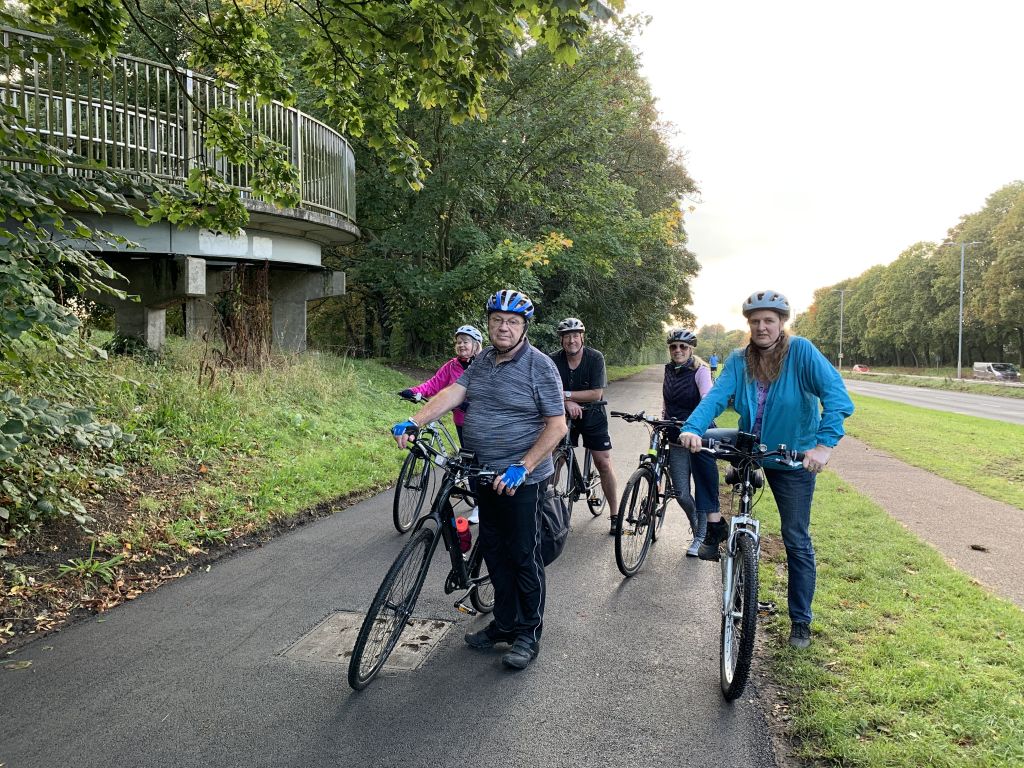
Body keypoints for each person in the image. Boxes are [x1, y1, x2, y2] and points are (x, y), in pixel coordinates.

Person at [391, 289, 566, 671]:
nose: (504, 327)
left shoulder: (540, 366)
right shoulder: (483, 360)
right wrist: (416, 421)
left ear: (524, 328)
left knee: (523, 555)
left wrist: (524, 465)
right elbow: (455, 391)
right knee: (495, 549)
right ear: (488, 324)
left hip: (522, 479)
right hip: (484, 473)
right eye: (498, 320)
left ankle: (527, 634)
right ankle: (503, 625)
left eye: (513, 322)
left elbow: (557, 425)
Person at [678, 290, 854, 649]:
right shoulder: (740, 358)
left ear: (781, 323)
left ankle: (801, 621)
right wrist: (693, 429)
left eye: (768, 320)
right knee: (701, 446)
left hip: (792, 456)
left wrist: (823, 446)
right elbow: (716, 398)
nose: (761, 327)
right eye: (755, 321)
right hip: (749, 446)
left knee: (796, 538)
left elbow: (837, 397)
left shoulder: (801, 351)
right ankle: (714, 524)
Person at [549, 317, 619, 533]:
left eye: (575, 335)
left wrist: (566, 395)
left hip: (593, 414)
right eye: (567, 336)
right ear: (561, 340)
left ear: (582, 337)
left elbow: (596, 393)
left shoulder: (595, 358)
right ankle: (546, 508)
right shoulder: (553, 360)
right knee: (555, 459)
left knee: (603, 462)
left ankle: (615, 515)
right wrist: (567, 402)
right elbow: (547, 390)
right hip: (564, 415)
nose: (571, 340)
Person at [662, 329, 720, 557]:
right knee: (680, 492)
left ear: (691, 349)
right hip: (675, 435)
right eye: (674, 347)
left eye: (683, 347)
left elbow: (708, 400)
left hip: (700, 437)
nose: (678, 351)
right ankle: (699, 526)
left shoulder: (701, 371)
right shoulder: (669, 370)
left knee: (703, 489)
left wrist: (693, 425)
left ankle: (700, 536)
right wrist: (662, 420)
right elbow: (667, 400)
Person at [398, 324, 483, 445]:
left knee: (481, 459)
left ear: (476, 345)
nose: (461, 345)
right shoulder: (452, 366)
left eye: (465, 342)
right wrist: (414, 391)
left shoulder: (484, 365)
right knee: (467, 458)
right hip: (461, 421)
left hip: (482, 423)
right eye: (458, 342)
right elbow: (433, 384)